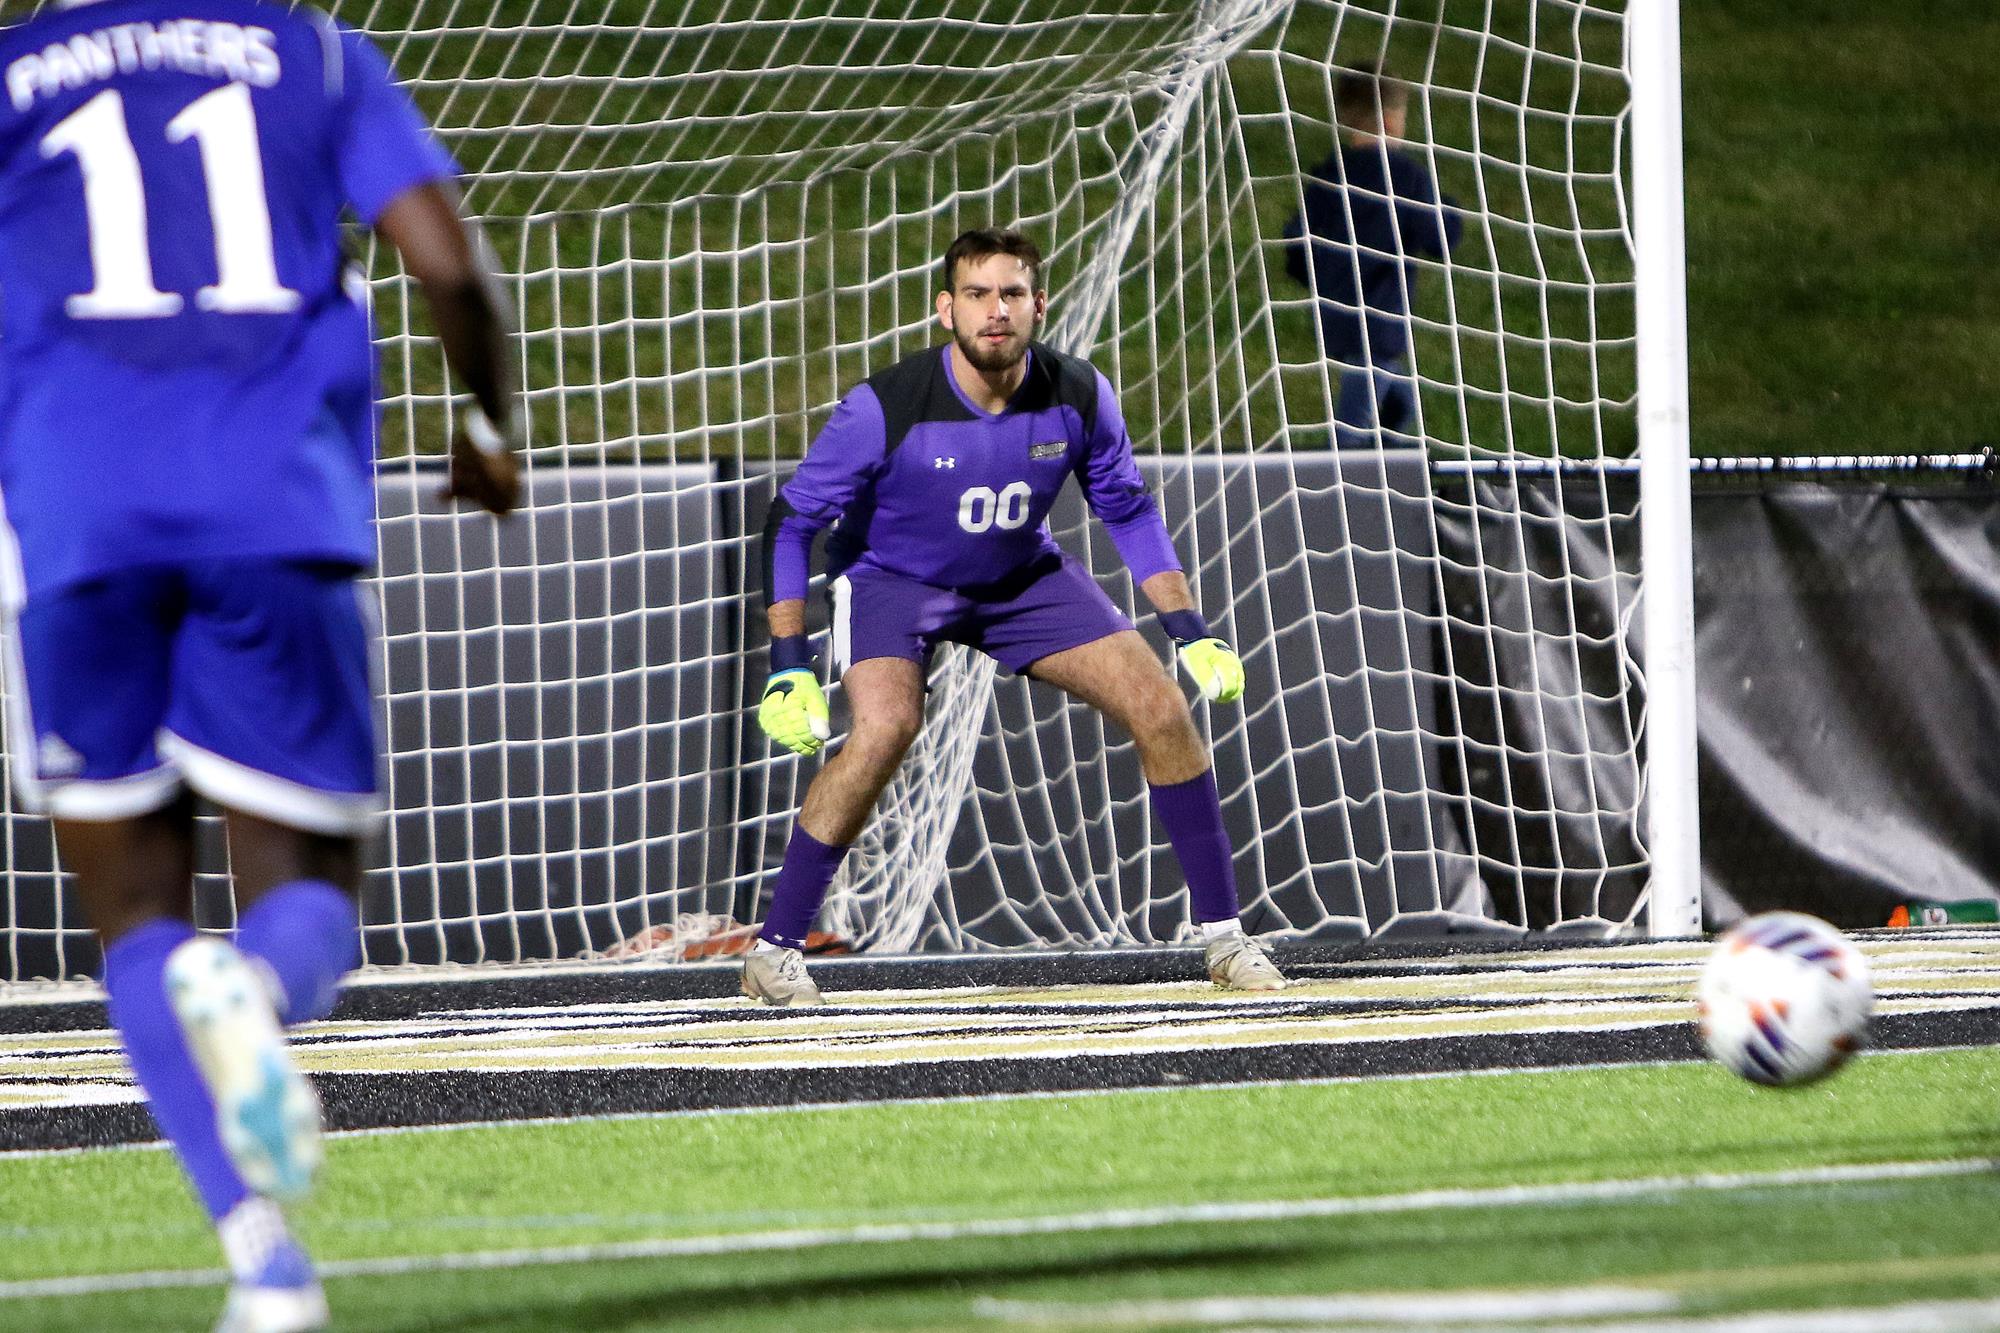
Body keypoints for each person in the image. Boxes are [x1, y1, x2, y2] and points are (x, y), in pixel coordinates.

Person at [0, 3, 518, 1330]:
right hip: (271, 502)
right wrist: (485, 425)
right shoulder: (319, 53)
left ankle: (265, 1265)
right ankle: (264, 987)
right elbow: (446, 262)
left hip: (76, 513)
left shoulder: (13, 70)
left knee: (134, 925)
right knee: (311, 897)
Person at [748, 226, 1285, 1006]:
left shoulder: (1077, 393)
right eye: (975, 294)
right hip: (891, 578)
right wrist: (789, 663)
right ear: (945, 309)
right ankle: (776, 947)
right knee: (885, 730)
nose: (993, 310)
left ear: (1039, 305)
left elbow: (1129, 513)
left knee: (1163, 707)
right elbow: (791, 521)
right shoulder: (882, 407)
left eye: (1010, 293)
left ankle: (1226, 938)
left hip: (1019, 577)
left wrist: (1189, 630)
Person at [1283, 64, 1461, 447]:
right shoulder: (1406, 177)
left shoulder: (1329, 175)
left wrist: (1325, 276)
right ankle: (1339, 484)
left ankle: (1393, 463)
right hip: (1379, 320)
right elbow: (1442, 238)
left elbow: (1296, 246)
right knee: (1354, 425)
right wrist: (1446, 208)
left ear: (1347, 116)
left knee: (1397, 404)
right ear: (1394, 121)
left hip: (1334, 315)